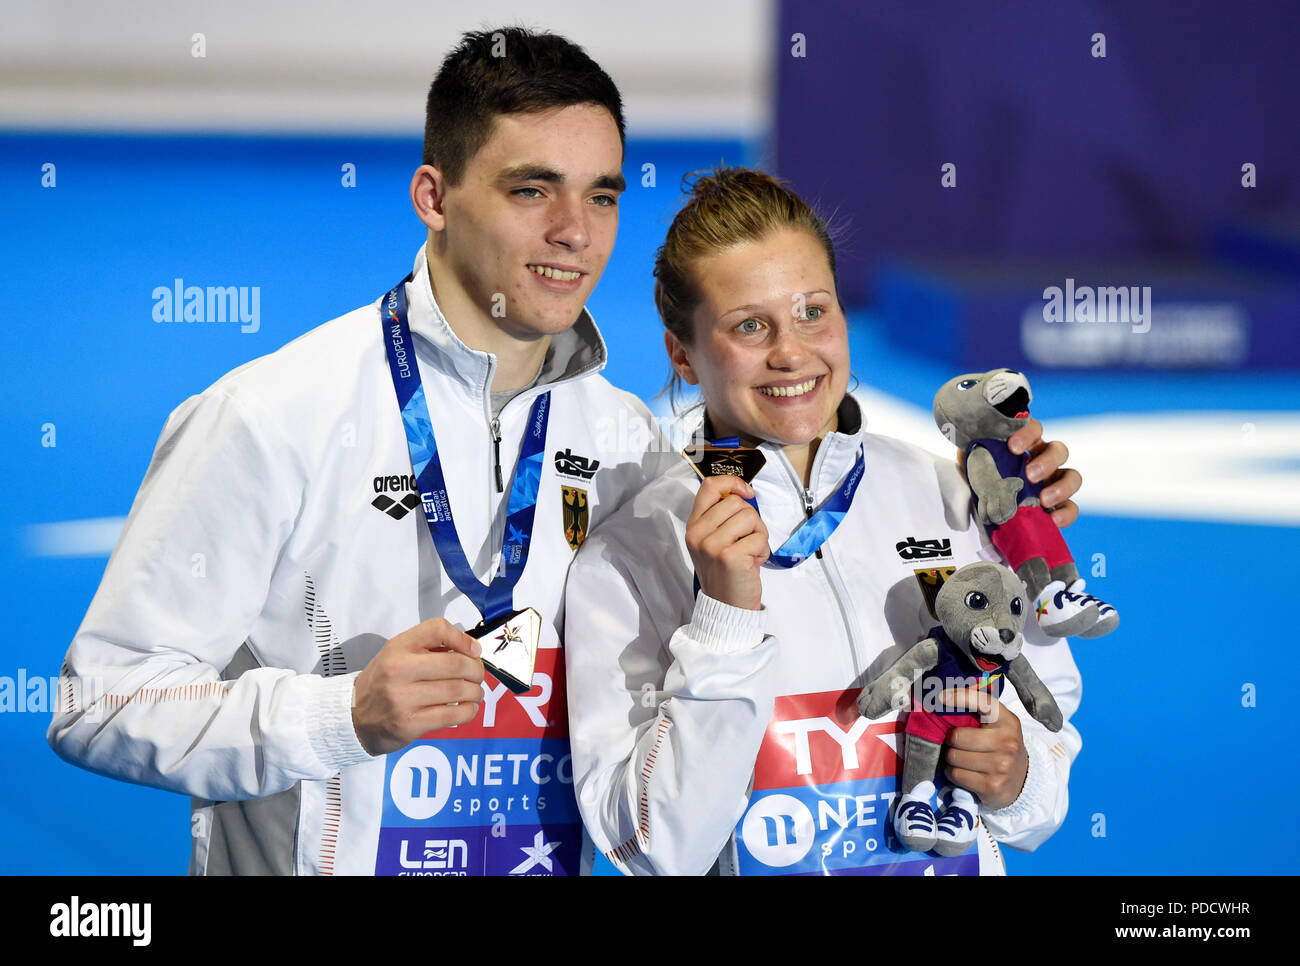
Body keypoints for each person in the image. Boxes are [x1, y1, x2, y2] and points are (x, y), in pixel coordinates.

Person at [47, 27, 672, 876]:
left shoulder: (626, 438)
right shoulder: (271, 416)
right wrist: (340, 717)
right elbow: (100, 703)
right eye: (533, 190)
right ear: (434, 196)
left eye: (603, 196)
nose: (576, 232)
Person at [564, 168, 1084, 876]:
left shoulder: (944, 494)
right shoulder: (629, 556)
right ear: (682, 354)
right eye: (750, 325)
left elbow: (1049, 736)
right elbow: (653, 850)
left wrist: (1018, 778)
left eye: (814, 310)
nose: (791, 351)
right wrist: (722, 622)